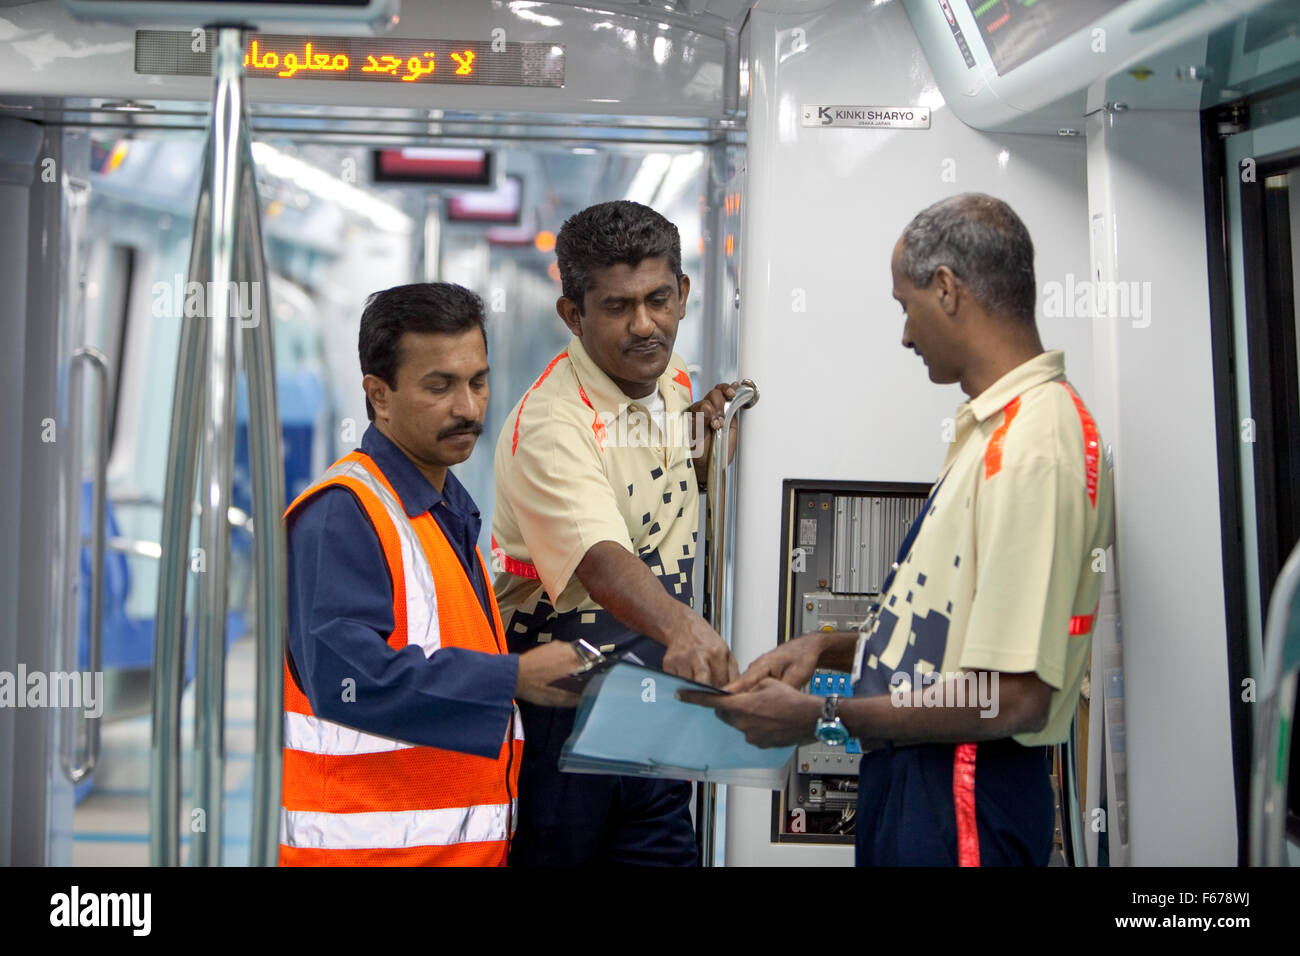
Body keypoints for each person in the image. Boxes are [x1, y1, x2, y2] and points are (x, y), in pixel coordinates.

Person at [687, 193, 1114, 866]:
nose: (906, 335)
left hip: (967, 786)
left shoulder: (1034, 446)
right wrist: (825, 651)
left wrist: (824, 718)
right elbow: (955, 638)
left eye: (904, 305)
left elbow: (1014, 696)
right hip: (923, 776)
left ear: (946, 288)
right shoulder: (991, 428)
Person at [279, 282, 580, 867]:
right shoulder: (345, 513)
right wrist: (511, 677)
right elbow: (349, 680)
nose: (467, 407)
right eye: (439, 386)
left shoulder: (444, 510)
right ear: (379, 395)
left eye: (477, 381)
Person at [491, 200, 741, 866]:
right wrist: (687, 628)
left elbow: (662, 492)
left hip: (656, 705)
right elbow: (601, 560)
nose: (644, 325)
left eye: (659, 299)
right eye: (616, 307)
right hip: (565, 718)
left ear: (683, 294)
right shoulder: (552, 422)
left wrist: (705, 446)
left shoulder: (677, 382)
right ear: (573, 315)